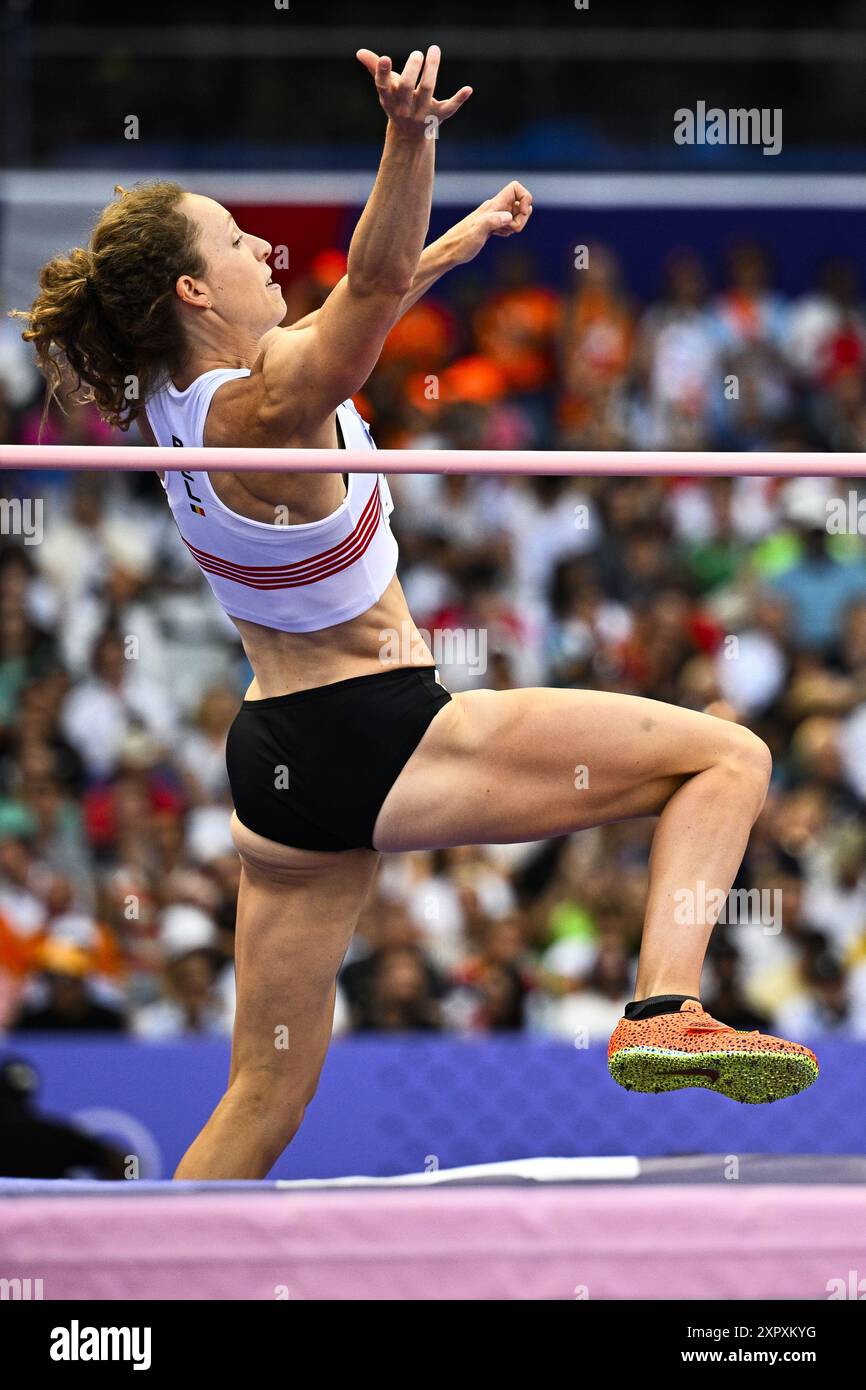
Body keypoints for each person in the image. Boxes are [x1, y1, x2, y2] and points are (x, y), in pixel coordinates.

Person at [15, 45, 817, 1180]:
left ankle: (150, 1292)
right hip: (381, 729)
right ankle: (661, 1008)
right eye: (236, 242)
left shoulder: (183, 397)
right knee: (726, 758)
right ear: (192, 291)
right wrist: (408, 139)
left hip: (281, 764)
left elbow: (360, 309)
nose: (261, 249)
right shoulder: (262, 412)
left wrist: (453, 242)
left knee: (261, 1096)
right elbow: (362, 301)